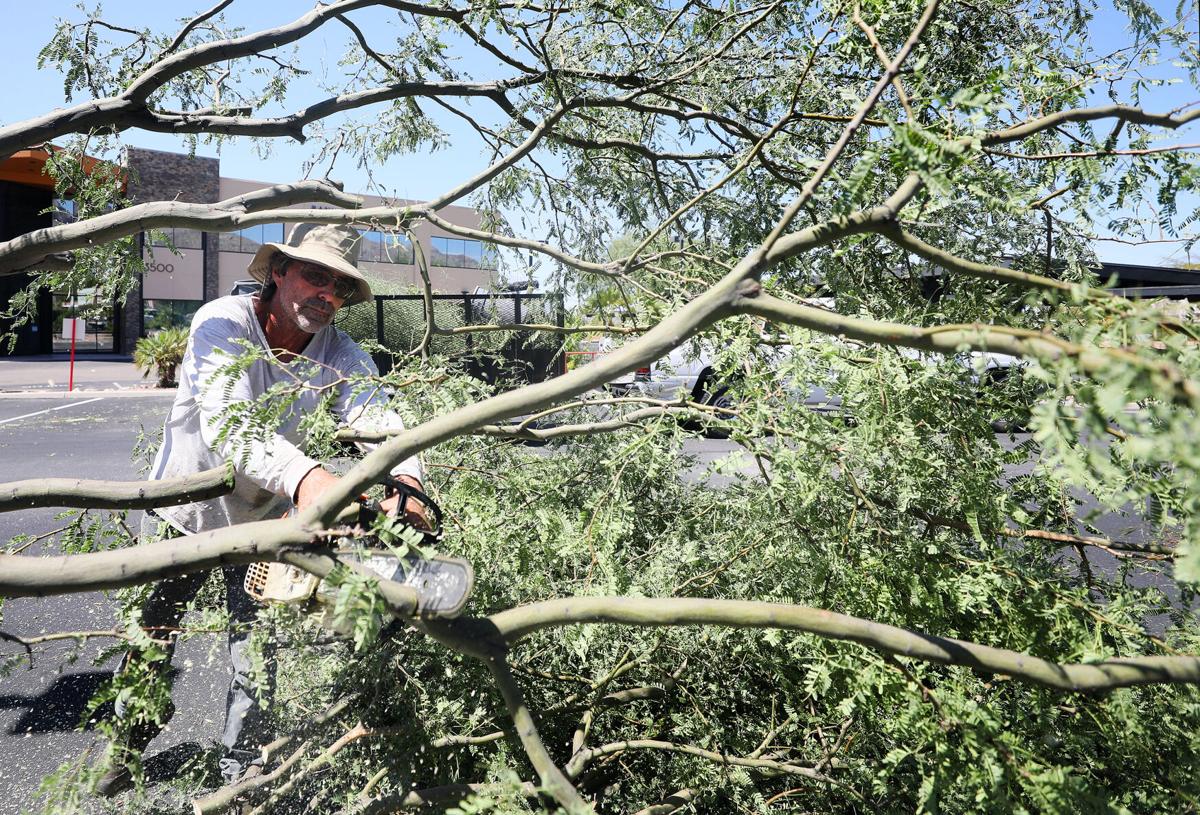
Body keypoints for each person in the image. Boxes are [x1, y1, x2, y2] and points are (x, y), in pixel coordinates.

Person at [98, 223, 425, 795]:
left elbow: (379, 416)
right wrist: (309, 479)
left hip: (264, 524)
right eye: (314, 275)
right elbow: (230, 423)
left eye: (340, 287)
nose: (327, 294)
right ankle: (128, 741)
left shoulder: (342, 354)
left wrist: (407, 481)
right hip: (183, 514)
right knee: (151, 637)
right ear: (277, 271)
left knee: (256, 651)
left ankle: (239, 775)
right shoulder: (221, 324)